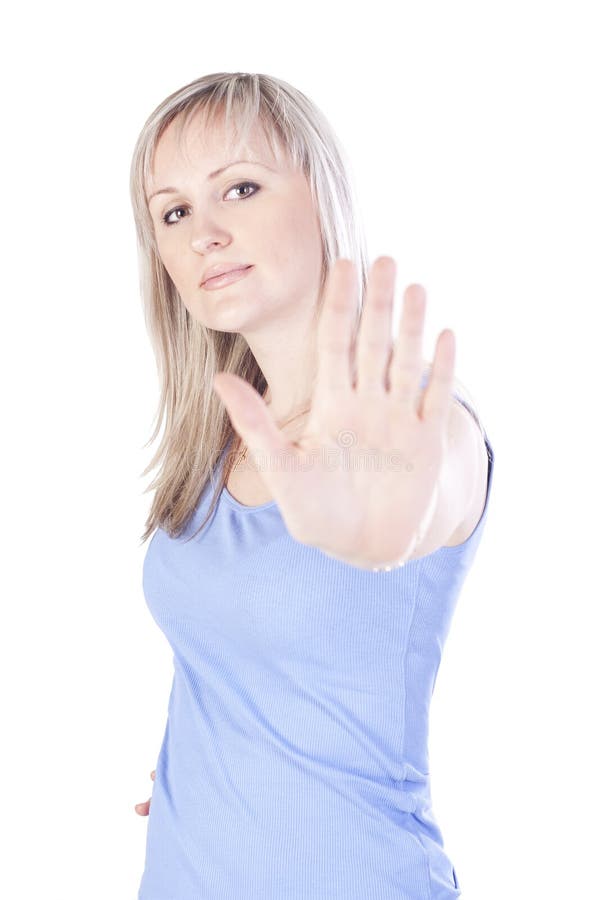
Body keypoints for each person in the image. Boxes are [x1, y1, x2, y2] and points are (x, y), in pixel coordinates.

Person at [130, 71, 494, 899]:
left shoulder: (418, 424)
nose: (204, 234)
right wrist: (221, 766)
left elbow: (426, 493)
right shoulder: (216, 445)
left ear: (323, 198)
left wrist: (385, 521)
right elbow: (230, 655)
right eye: (174, 211)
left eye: (242, 188)